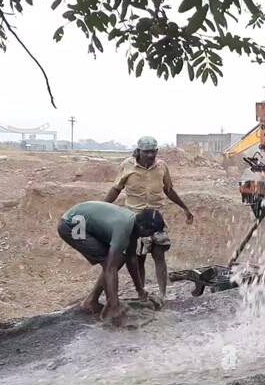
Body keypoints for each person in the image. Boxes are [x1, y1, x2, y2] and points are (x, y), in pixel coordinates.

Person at [105, 136, 193, 307]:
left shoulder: (162, 167)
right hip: (135, 220)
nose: (150, 155)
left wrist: (185, 208)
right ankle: (142, 294)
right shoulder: (127, 166)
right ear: (138, 151)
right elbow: (116, 189)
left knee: (159, 255)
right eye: (146, 151)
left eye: (153, 151)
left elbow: (169, 190)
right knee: (139, 258)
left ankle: (162, 294)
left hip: (156, 219)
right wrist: (101, 207)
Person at [57, 200, 166, 324]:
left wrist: (140, 290)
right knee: (110, 263)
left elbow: (131, 259)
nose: (151, 236)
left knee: (118, 259)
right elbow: (110, 268)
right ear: (143, 227)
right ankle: (111, 307)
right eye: (151, 232)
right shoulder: (123, 228)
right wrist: (115, 305)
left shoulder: (133, 225)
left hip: (81, 220)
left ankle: (92, 301)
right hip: (71, 225)